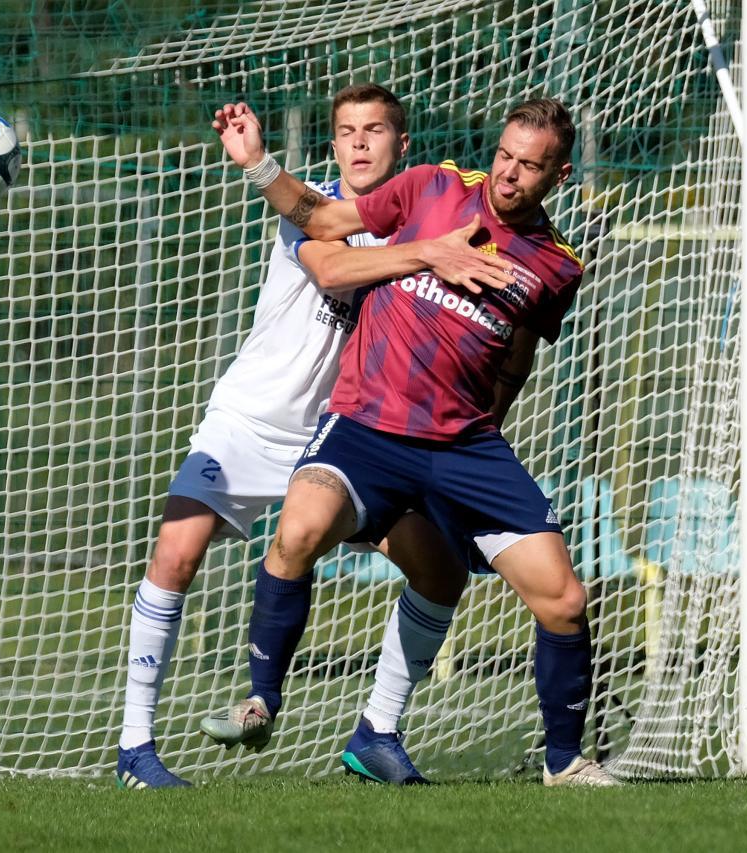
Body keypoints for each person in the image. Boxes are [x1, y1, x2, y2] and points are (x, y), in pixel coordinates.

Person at [201, 97, 620, 787]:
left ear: (561, 174)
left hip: (465, 445)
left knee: (563, 598)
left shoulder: (556, 267)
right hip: (368, 425)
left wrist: (488, 423)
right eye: (506, 155)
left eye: (530, 166)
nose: (509, 174)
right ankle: (261, 700)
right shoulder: (433, 187)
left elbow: (515, 358)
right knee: (299, 528)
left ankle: (563, 761)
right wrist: (257, 164)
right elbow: (322, 218)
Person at [114, 84, 514, 789]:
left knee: (442, 568)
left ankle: (378, 732)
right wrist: (428, 253)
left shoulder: (424, 222)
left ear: (404, 146)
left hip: (342, 439)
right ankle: (135, 749)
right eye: (347, 131)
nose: (360, 143)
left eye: (376, 130)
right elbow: (333, 267)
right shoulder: (313, 208)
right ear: (332, 146)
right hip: (249, 420)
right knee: (175, 552)